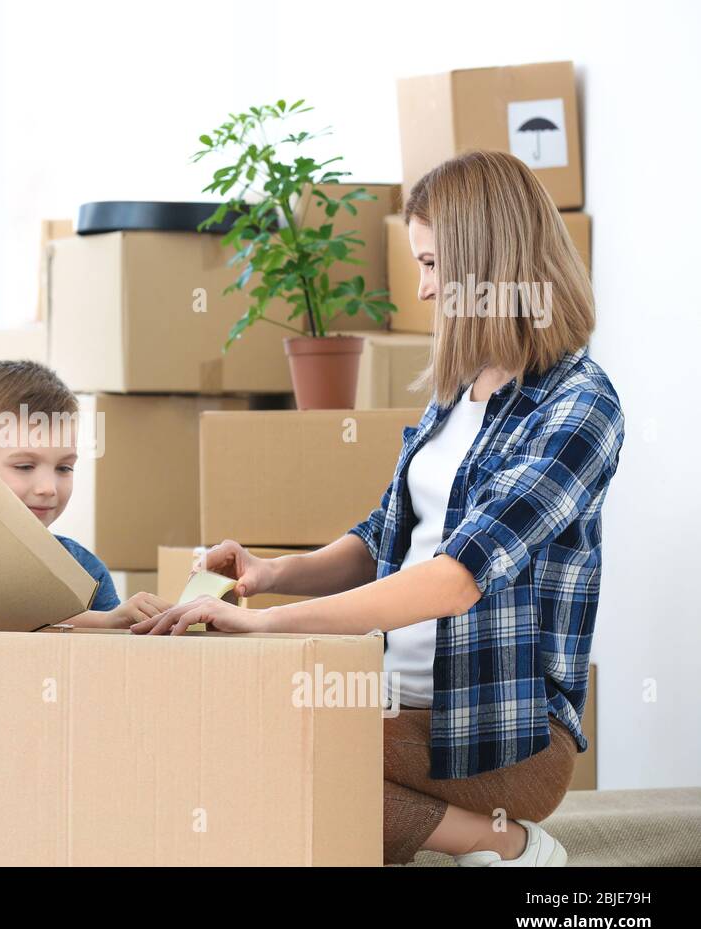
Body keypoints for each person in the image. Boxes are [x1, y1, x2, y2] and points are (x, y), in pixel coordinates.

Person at [134, 149, 625, 867]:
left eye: (431, 265)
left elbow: (456, 577)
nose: (422, 290)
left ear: (485, 265)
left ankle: (509, 842)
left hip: (500, 734)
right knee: (233, 748)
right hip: (397, 698)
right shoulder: (459, 390)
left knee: (271, 753)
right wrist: (271, 575)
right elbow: (385, 539)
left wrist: (265, 625)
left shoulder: (581, 407)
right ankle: (469, 839)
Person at [0, 360, 172, 628]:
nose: (48, 488)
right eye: (25, 466)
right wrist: (105, 622)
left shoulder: (86, 569)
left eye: (64, 467)